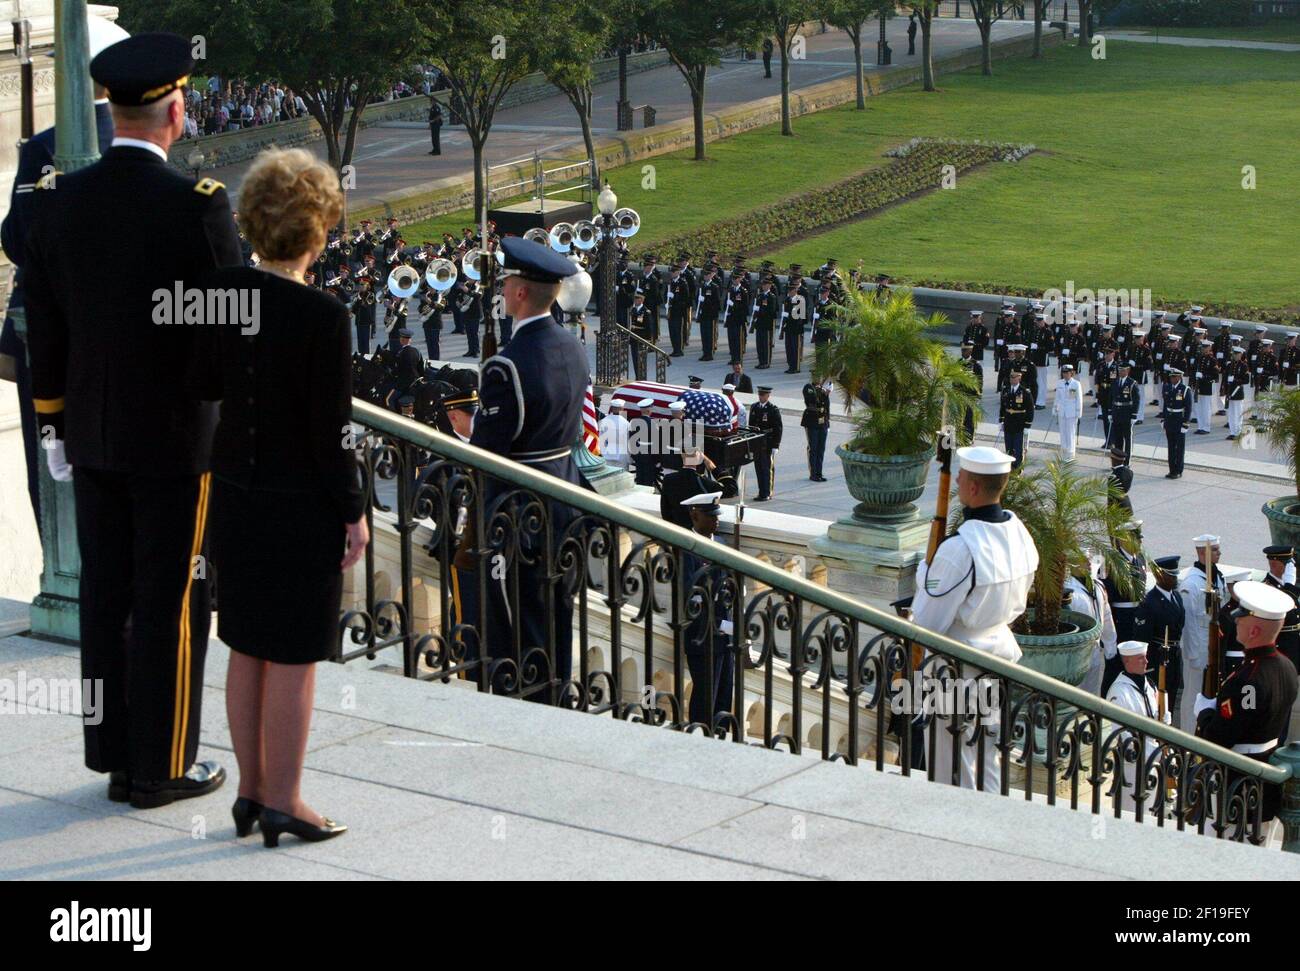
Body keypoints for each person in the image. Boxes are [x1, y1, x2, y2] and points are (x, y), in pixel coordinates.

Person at [22, 33, 244, 809]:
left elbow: (42, 329)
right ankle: (162, 764)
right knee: (173, 599)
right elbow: (234, 326)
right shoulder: (198, 207)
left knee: (105, 593)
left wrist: (53, 421)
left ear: (111, 111)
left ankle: (114, 750)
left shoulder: (61, 202)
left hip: (89, 434)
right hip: (177, 440)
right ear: (177, 110)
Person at [191, 148, 366, 846]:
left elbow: (205, 383)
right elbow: (333, 433)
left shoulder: (223, 293)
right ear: (318, 231)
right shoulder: (324, 317)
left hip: (234, 494)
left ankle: (253, 790)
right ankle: (287, 800)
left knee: (244, 644)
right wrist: (353, 510)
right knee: (293, 654)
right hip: (299, 505)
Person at [1, 16, 126, 529]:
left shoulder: (42, 149)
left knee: (46, 468)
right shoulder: (134, 144)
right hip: (118, 337)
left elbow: (13, 240)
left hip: (43, 334)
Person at [470, 236, 592, 704]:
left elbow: (486, 452)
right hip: (566, 503)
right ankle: (555, 701)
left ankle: (528, 709)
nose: (503, 292)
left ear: (520, 292)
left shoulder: (508, 365)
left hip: (518, 518)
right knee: (556, 622)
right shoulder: (572, 346)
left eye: (507, 285)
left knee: (515, 629)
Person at [910, 446, 1038, 791]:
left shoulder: (960, 548)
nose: (958, 484)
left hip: (956, 668)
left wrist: (925, 572)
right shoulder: (1019, 533)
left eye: (962, 478)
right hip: (998, 660)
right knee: (988, 756)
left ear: (972, 488)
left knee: (953, 763)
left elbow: (926, 621)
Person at [1195, 580, 1299, 823]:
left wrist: (1204, 713)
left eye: (1241, 618)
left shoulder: (1246, 680)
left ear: (1253, 631)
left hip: (1237, 785)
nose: (1235, 621)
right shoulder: (1286, 667)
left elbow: (1218, 738)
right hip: (1268, 780)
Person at [679, 492, 735, 728]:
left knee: (723, 696)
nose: (716, 520)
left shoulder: (720, 543)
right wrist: (722, 624)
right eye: (710, 516)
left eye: (717, 515)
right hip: (702, 637)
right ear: (695, 515)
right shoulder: (686, 549)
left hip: (725, 637)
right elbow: (690, 598)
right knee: (705, 696)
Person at [1105, 640, 1171, 814]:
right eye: (1141, 658)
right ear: (1127, 662)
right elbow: (1119, 731)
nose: (1146, 662)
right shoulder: (1118, 692)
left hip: (1154, 756)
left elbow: (1156, 716)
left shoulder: (1150, 685)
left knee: (1151, 810)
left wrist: (1164, 719)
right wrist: (1141, 753)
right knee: (1132, 811)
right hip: (1133, 762)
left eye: (1146, 658)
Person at [1177, 534, 1227, 731]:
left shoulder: (1216, 576)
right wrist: (1192, 655)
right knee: (1193, 696)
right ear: (1201, 552)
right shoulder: (1191, 584)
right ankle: (1187, 737)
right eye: (1214, 549)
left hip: (1213, 645)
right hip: (1198, 649)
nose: (1219, 552)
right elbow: (1188, 623)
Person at [660, 446, 722, 530]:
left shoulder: (669, 479)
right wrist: (712, 467)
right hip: (699, 531)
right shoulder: (704, 482)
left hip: (677, 531)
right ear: (699, 458)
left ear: (682, 455)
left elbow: (666, 513)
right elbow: (731, 488)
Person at [748, 385, 782, 501]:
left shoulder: (773, 409)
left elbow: (778, 429)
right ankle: (761, 492)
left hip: (768, 443)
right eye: (760, 395)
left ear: (768, 396)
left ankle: (767, 492)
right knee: (759, 468)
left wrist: (776, 445)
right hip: (757, 442)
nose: (761, 397)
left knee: (767, 469)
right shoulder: (754, 407)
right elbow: (751, 427)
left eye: (763, 395)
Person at [999, 366, 1033, 469]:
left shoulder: (1025, 392)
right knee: (1009, 446)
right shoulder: (1006, 390)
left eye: (1014, 377)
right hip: (1008, 422)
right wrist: (1001, 420)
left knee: (1018, 448)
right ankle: (1010, 466)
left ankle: (1018, 468)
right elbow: (1002, 406)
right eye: (1011, 377)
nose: (1012, 379)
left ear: (1019, 378)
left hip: (1019, 423)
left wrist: (1027, 425)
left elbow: (1030, 409)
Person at [1160, 367, 1191, 479]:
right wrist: (1163, 419)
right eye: (1171, 377)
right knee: (1171, 447)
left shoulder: (1185, 389)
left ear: (1179, 377)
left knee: (1179, 448)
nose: (1172, 379)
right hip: (1170, 420)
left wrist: (1185, 423)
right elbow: (1165, 405)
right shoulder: (1168, 388)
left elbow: (1188, 408)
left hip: (1179, 420)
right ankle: (1171, 469)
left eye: (1174, 377)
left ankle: (1178, 470)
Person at [1053, 363, 1083, 461]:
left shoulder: (1076, 384)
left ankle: (1071, 454)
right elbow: (1057, 398)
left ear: (1072, 373)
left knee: (1070, 433)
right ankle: (1064, 451)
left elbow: (1079, 399)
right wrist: (1055, 409)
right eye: (1064, 372)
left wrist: (1079, 412)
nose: (1065, 374)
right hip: (1062, 411)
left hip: (1071, 412)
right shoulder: (1059, 383)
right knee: (1063, 432)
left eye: (1067, 372)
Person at [802, 376, 830, 482]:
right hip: (812, 421)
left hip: (823, 422)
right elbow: (812, 399)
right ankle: (813, 473)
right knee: (813, 448)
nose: (818, 378)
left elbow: (827, 406)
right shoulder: (808, 387)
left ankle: (819, 473)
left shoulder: (822, 389)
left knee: (821, 448)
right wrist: (822, 391)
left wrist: (828, 423)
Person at [1108, 360, 1138, 459]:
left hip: (1126, 412)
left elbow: (1136, 400)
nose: (1120, 372)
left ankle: (1126, 461)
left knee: (1127, 438)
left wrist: (1134, 414)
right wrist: (1110, 412)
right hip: (1116, 412)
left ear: (1128, 370)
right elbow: (1111, 397)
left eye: (1123, 370)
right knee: (1118, 438)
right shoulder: (1115, 381)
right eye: (1119, 370)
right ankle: (1118, 460)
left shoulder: (1132, 383)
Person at [598, 398, 630, 469]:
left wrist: (603, 453)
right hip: (622, 456)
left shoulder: (603, 421)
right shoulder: (626, 423)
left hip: (607, 454)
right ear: (622, 408)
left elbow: (601, 440)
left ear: (611, 408)